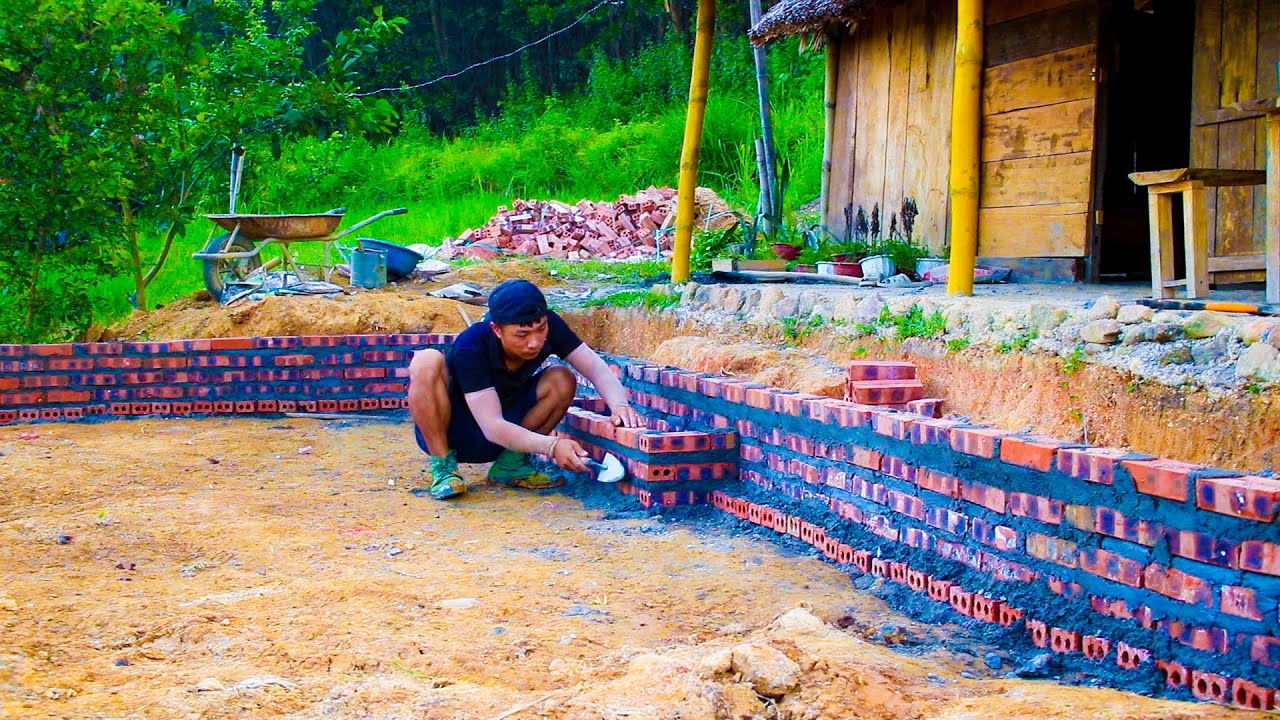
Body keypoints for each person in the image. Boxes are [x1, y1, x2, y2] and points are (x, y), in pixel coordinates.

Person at [407, 278, 644, 499]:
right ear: (497, 330)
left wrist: (619, 405)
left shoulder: (550, 325)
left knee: (562, 378)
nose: (534, 342)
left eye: (540, 330)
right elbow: (492, 426)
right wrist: (551, 446)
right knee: (425, 361)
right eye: (522, 334)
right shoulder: (472, 344)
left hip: (511, 432)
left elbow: (595, 367)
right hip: (455, 431)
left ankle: (510, 466)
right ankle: (443, 468)